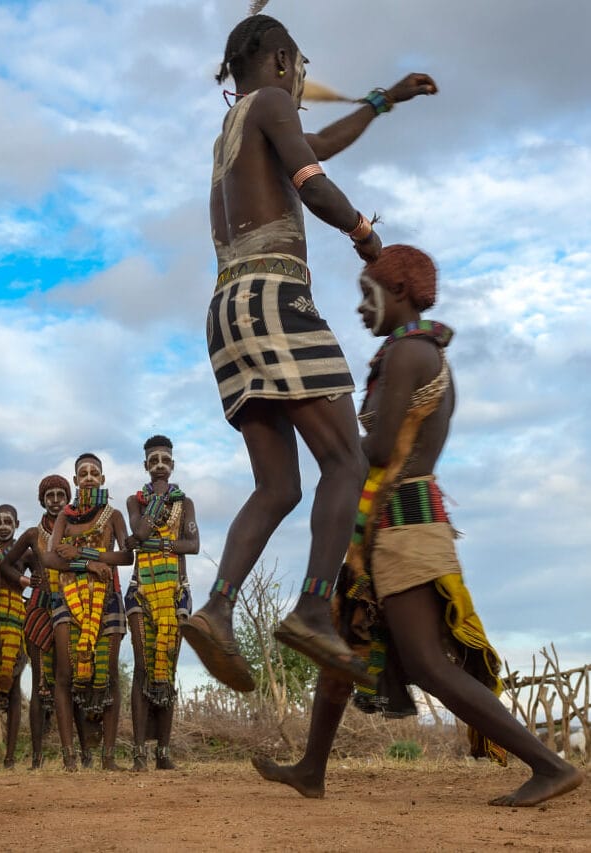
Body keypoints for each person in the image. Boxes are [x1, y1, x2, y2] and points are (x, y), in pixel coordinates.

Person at [252, 245, 584, 807]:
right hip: (387, 524)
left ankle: (550, 765)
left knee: (427, 662)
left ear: (399, 292)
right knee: (343, 644)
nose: (360, 308)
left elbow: (379, 449)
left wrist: (324, 441)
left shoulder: (407, 354)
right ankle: (311, 768)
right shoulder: (411, 352)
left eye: (367, 294)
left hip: (405, 524)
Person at [184, 13, 438, 692]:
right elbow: (312, 179)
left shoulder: (234, 126)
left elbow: (318, 140)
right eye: (297, 64)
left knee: (279, 485)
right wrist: (362, 234)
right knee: (346, 459)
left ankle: (215, 608)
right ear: (278, 60)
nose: (300, 77)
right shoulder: (268, 102)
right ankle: (309, 608)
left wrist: (381, 101)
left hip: (226, 309)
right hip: (274, 295)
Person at [44, 454, 134, 770]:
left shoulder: (114, 515)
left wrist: (84, 553)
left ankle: (108, 757)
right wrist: (88, 565)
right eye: (83, 473)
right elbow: (50, 559)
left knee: (107, 674)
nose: (89, 477)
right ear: (75, 480)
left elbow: (125, 557)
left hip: (108, 596)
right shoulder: (64, 518)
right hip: (68, 597)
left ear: (103, 479)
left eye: (94, 472)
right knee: (66, 673)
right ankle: (69, 757)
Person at [125, 436, 199, 771]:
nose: (159, 464)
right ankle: (139, 751)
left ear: (173, 464)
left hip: (175, 591)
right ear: (145, 466)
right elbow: (138, 533)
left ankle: (164, 752)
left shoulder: (186, 504)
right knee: (143, 668)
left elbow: (194, 545)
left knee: (166, 666)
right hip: (142, 589)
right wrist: (156, 507)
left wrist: (160, 546)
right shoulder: (135, 500)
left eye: (165, 459)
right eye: (153, 459)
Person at [4, 475, 87, 769]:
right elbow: (5, 566)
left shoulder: (78, 527)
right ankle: (37, 758)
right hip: (40, 606)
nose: (55, 500)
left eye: (60, 495)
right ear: (42, 500)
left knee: (74, 677)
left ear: (68, 498)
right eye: (49, 495)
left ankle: (84, 753)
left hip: (75, 602)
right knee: (41, 681)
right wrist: (26, 580)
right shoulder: (31, 534)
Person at [0, 504, 39, 769]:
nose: (3, 525)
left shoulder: (26, 553)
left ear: (17, 523)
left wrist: (31, 600)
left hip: (17, 618)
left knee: (14, 687)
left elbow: (40, 578)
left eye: (8, 520)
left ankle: (9, 757)